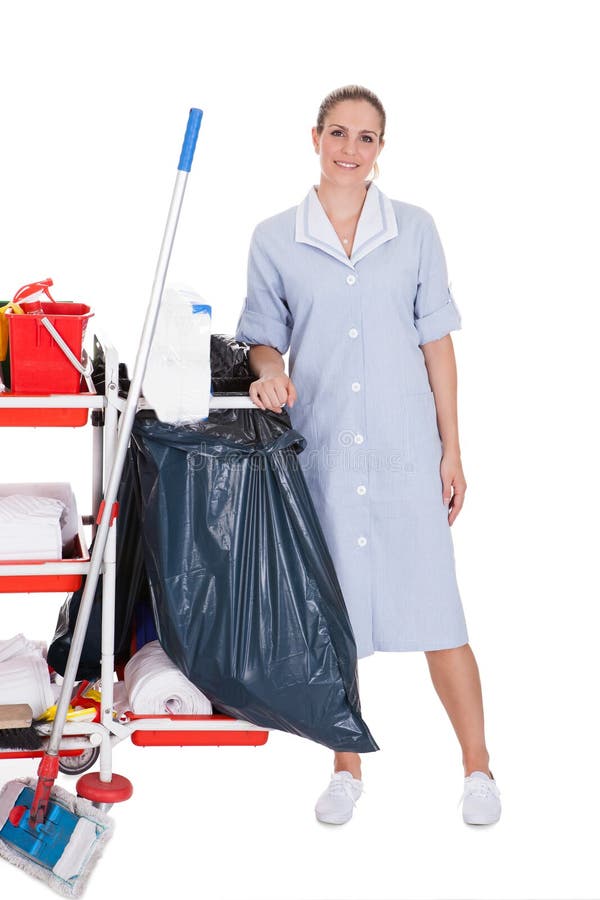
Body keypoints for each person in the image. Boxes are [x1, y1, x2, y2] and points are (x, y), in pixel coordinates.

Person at [234, 84, 500, 827]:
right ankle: (345, 767)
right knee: (334, 618)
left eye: (367, 138)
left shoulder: (413, 230)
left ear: (382, 149)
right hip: (324, 451)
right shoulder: (274, 238)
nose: (351, 149)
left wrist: (453, 448)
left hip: (407, 452)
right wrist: (268, 371)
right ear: (314, 137)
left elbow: (436, 342)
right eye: (339, 133)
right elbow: (263, 334)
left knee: (439, 615)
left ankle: (478, 768)